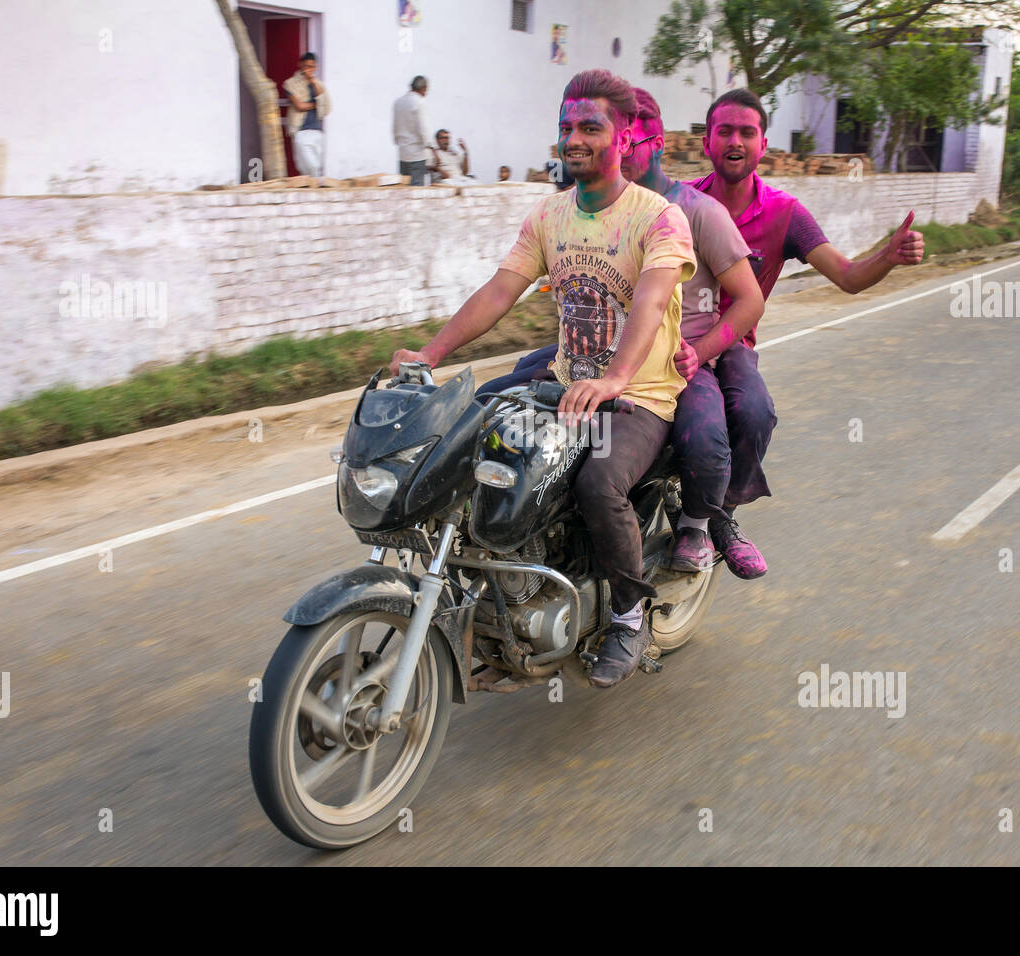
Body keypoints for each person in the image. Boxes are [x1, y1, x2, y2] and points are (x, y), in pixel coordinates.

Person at [389, 69, 696, 688]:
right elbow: (502, 290)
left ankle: (630, 616)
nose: (574, 138)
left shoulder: (658, 219)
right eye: (566, 127)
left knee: (599, 482)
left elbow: (650, 303)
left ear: (625, 134)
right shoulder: (550, 215)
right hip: (562, 385)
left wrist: (615, 378)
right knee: (470, 441)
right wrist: (430, 353)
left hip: (637, 397)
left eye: (590, 126)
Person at [479, 87, 767, 576]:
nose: (618, 148)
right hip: (605, 349)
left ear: (649, 140)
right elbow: (509, 292)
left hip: (675, 355)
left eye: (620, 135)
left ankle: (708, 521)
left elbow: (736, 299)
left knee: (715, 431)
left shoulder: (689, 212)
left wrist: (699, 351)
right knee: (496, 400)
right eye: (572, 130)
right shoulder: (579, 208)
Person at [680, 88, 924, 577]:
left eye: (746, 132)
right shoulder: (679, 203)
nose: (735, 140)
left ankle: (719, 515)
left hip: (732, 344)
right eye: (723, 130)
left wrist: (889, 258)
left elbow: (848, 276)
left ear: (763, 145)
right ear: (706, 142)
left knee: (754, 412)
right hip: (676, 339)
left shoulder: (785, 214)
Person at [284, 53, 330, 181]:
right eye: (306, 66)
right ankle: (316, 189)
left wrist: (313, 82)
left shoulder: (318, 84)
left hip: (317, 131)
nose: (309, 69)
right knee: (310, 166)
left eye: (312, 66)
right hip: (301, 130)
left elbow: (326, 106)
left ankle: (313, 192)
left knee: (316, 166)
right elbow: (300, 106)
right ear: (300, 65)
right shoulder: (291, 84)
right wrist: (317, 104)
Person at [393, 76, 431, 185]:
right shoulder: (419, 102)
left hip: (403, 152)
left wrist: (398, 142)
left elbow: (395, 127)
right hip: (417, 154)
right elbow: (424, 128)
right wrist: (430, 146)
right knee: (416, 190)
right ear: (423, 88)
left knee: (404, 187)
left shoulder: (398, 102)